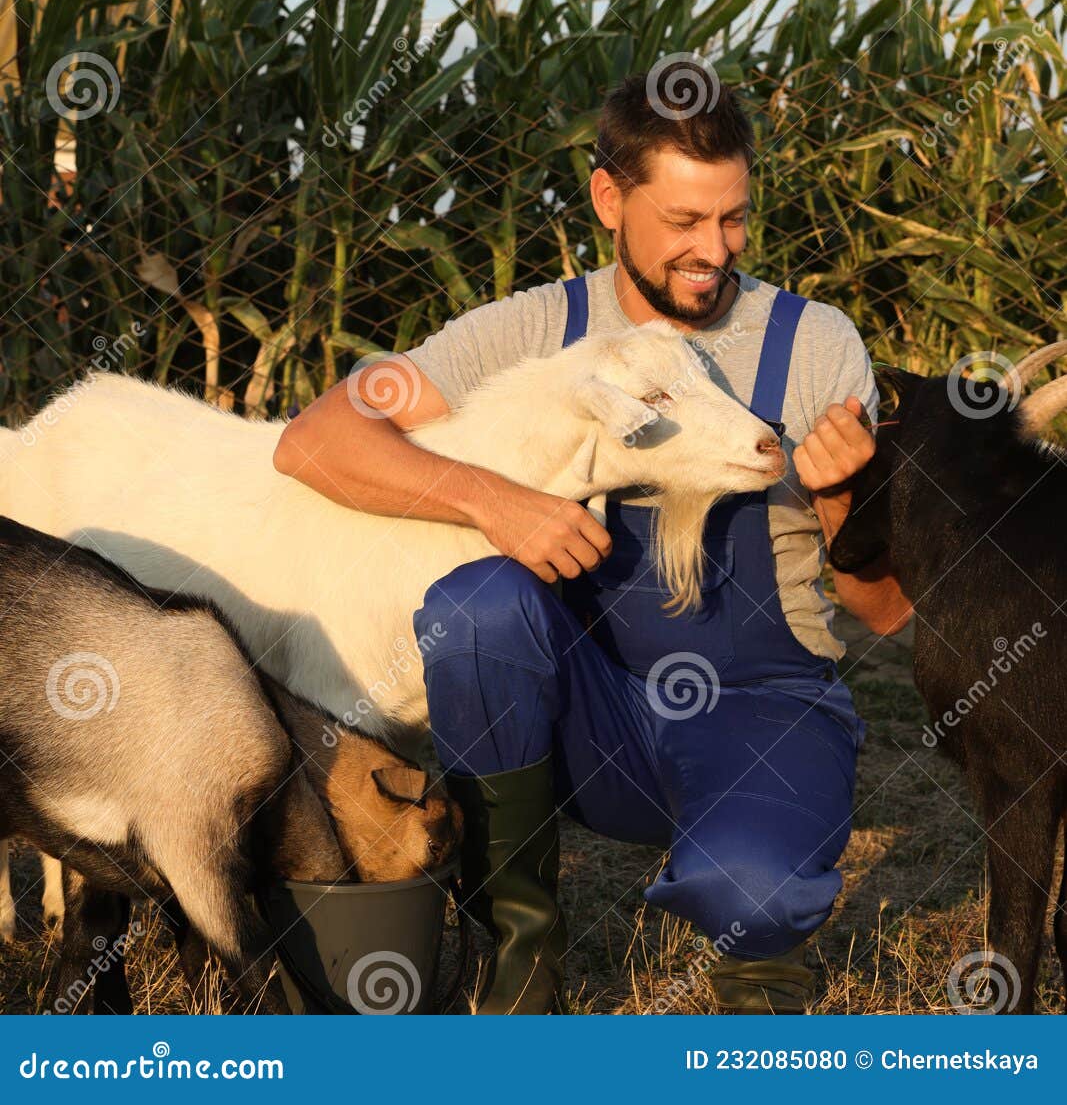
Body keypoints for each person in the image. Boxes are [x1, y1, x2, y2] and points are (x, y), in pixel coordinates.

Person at [274, 61, 913, 1015]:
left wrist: (838, 505)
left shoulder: (816, 346)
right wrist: (496, 502)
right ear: (608, 199)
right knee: (478, 605)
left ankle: (760, 986)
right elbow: (316, 439)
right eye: (684, 223)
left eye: (733, 218)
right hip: (584, 712)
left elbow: (887, 610)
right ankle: (521, 962)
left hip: (757, 704)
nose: (714, 250)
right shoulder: (532, 331)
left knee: (754, 893)